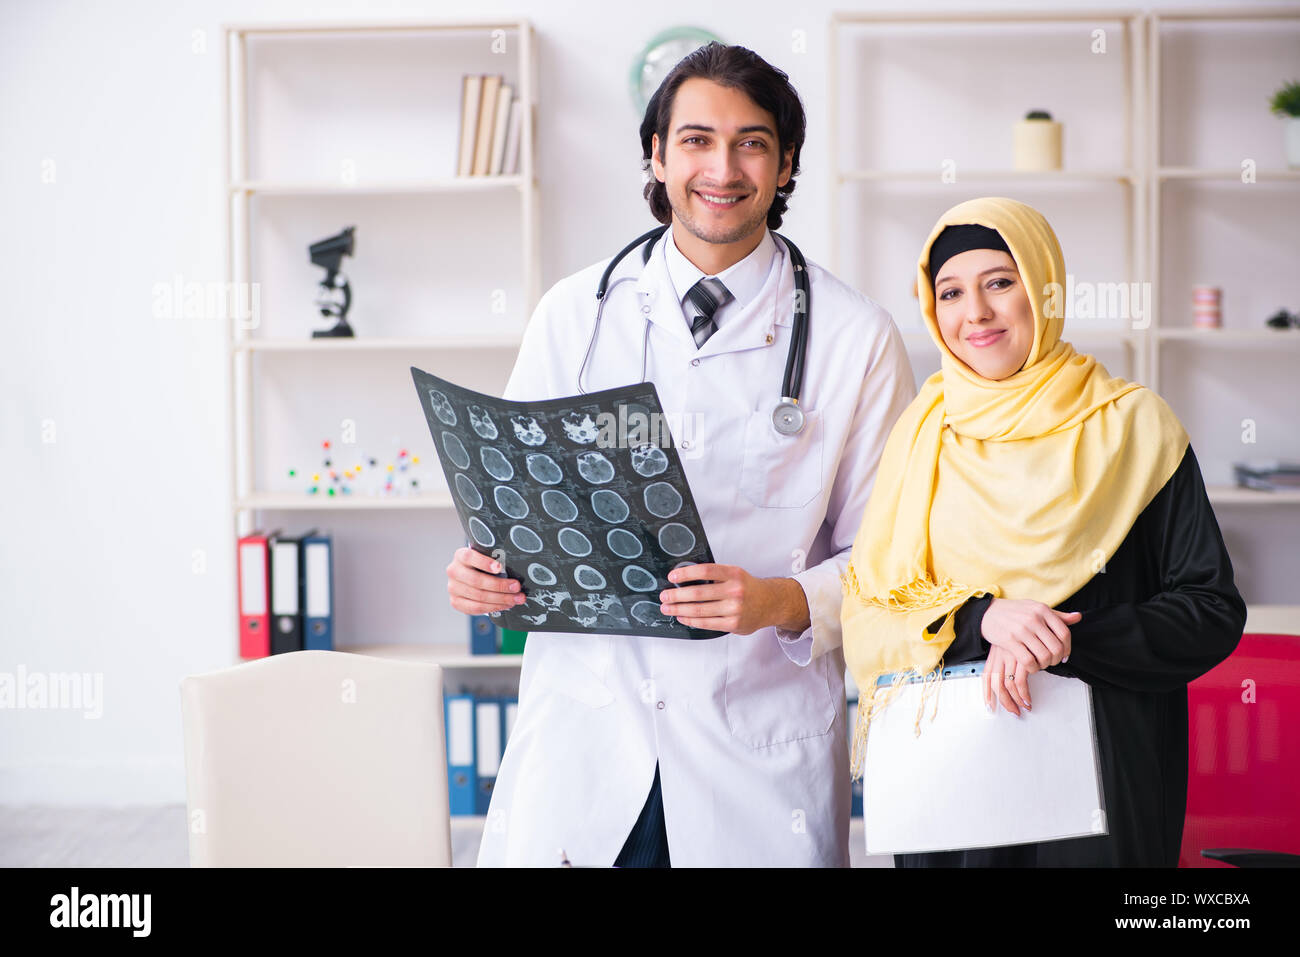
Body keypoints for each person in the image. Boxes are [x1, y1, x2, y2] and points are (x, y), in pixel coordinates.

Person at [447, 43, 915, 866]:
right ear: (656, 156)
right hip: (589, 736)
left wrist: (779, 599)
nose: (722, 167)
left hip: (753, 748)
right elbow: (511, 502)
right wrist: (481, 571)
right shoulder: (574, 315)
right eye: (696, 139)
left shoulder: (856, 338)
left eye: (752, 142)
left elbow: (894, 564)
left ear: (786, 163)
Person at [840, 196, 1247, 867]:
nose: (975, 312)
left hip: (1101, 784)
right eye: (950, 292)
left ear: (1043, 286)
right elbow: (870, 614)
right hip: (950, 787)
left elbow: (1209, 610)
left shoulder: (1132, 426)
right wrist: (982, 621)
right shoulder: (921, 436)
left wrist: (1063, 639)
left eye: (1000, 282)